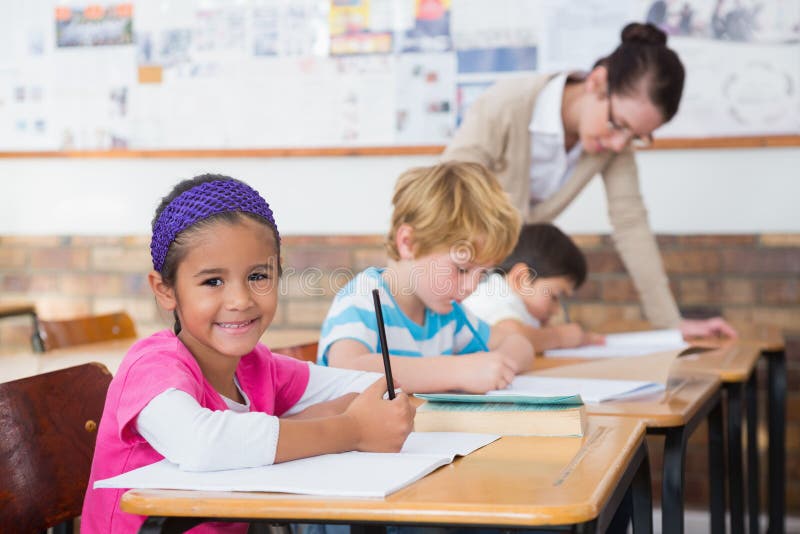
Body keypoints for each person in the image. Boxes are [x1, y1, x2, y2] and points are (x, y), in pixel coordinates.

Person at [81, 175, 415, 533]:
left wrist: (312, 423)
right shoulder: (150, 366)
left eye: (258, 276)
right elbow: (203, 444)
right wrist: (351, 428)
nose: (241, 300)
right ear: (165, 290)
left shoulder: (258, 367)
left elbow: (374, 387)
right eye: (213, 282)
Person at [442, 22, 737, 340]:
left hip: (511, 290)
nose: (618, 144)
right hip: (451, 277)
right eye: (618, 124)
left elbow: (631, 225)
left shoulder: (613, 146)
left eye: (635, 137)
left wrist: (671, 324)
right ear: (597, 82)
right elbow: (441, 198)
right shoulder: (506, 105)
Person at [318, 161, 534, 394]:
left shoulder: (449, 315)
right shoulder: (362, 299)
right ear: (408, 243)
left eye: (482, 273)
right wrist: (458, 371)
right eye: (462, 269)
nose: (471, 286)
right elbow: (347, 370)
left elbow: (519, 344)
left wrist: (496, 365)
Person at [464, 223, 605, 351]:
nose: (556, 310)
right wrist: (559, 337)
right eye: (554, 297)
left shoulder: (519, 307)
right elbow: (511, 336)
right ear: (521, 279)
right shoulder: (495, 295)